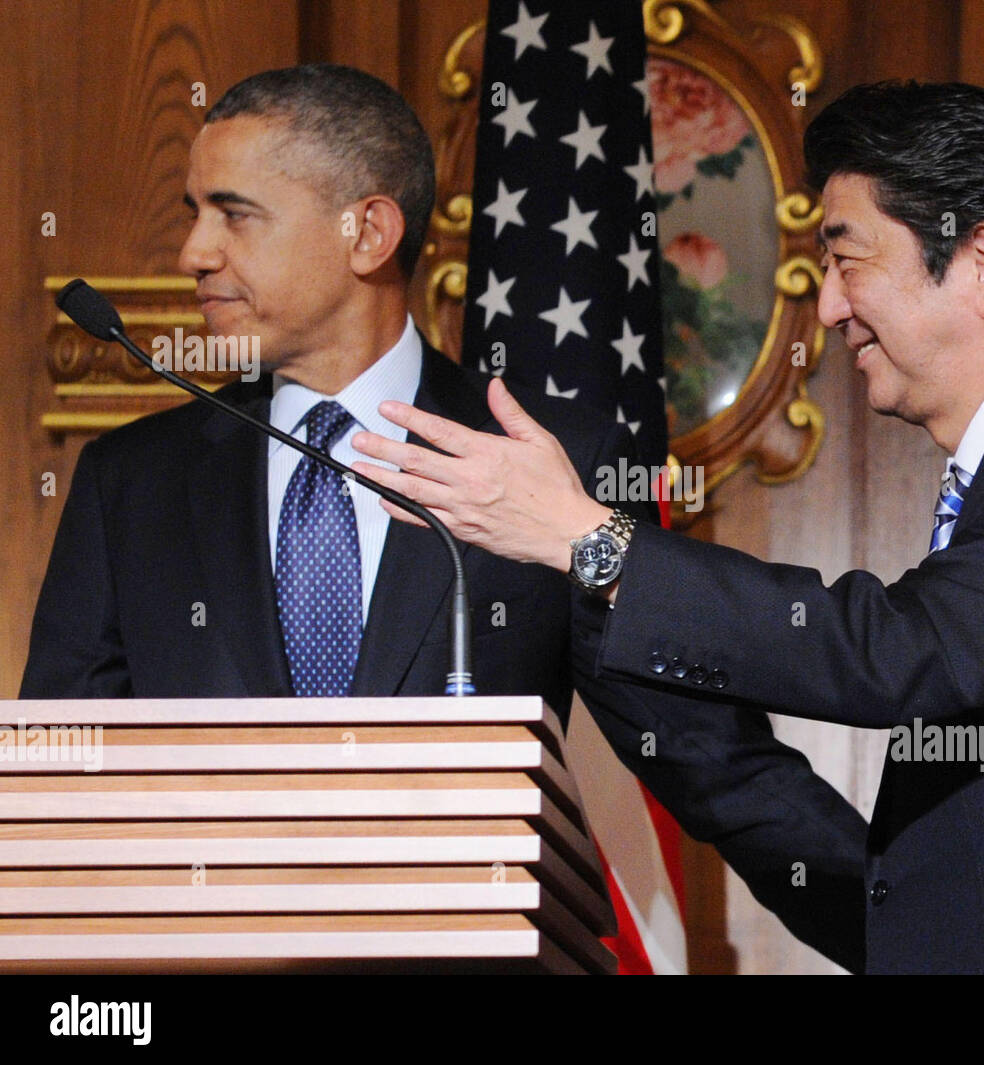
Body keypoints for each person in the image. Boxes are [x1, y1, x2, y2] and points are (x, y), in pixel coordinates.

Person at [351, 80, 984, 974]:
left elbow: (906, 652)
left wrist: (594, 538)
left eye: (848, 259)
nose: (826, 307)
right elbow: (916, 875)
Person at [21, 64, 870, 973]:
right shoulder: (131, 484)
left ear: (369, 232)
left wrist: (942, 940)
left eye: (234, 214)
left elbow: (718, 767)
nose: (193, 250)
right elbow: (55, 793)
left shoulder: (542, 468)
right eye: (195, 212)